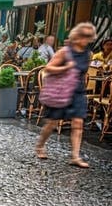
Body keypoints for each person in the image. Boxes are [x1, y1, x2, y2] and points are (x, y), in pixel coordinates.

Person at [35, 21, 96, 168]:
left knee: (78, 123)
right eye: (83, 36)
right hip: (61, 91)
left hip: (78, 92)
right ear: (77, 35)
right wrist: (66, 67)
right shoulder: (65, 51)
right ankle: (40, 145)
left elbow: (82, 73)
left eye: (88, 37)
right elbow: (48, 68)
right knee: (52, 123)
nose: (85, 39)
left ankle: (75, 156)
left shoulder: (88, 54)